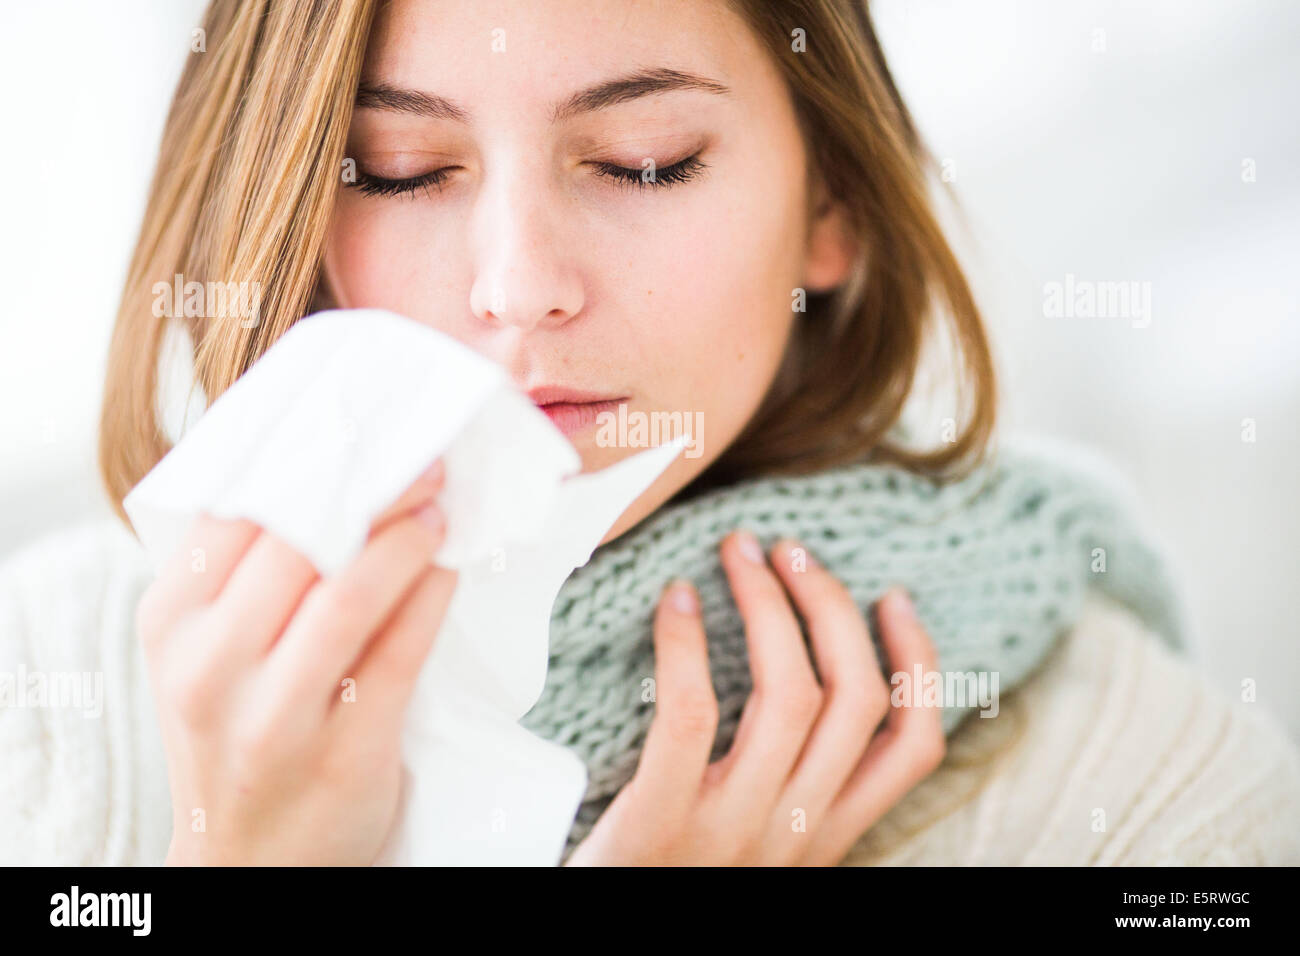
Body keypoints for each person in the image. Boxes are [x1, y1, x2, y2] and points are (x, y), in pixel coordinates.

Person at [2, 0, 1297, 866]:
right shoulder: (35, 687)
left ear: (828, 210)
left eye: (643, 160)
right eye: (398, 170)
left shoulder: (1152, 794)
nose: (520, 283)